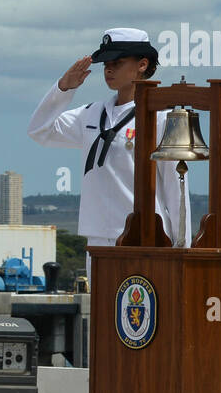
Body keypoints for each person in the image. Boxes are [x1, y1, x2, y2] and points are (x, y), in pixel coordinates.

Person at [27, 27, 190, 276]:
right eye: (106, 63)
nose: (108, 69)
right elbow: (40, 131)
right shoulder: (91, 114)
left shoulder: (162, 118)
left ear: (142, 64)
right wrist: (64, 88)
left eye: (118, 62)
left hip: (146, 237)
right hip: (99, 238)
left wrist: (182, 249)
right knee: (102, 314)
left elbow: (175, 187)